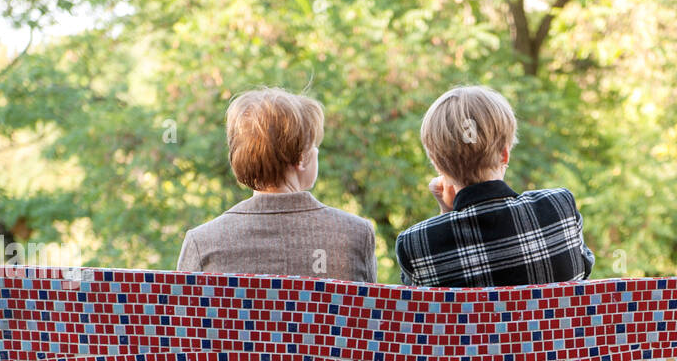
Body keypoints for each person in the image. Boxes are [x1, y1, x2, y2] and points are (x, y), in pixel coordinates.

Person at [395, 85, 594, 287]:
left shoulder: (415, 245)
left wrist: (446, 214)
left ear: (438, 166)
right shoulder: (558, 207)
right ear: (504, 154)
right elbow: (583, 273)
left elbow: (420, 308)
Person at [176, 87, 376, 282]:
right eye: (314, 146)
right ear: (301, 158)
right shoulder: (354, 234)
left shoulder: (203, 242)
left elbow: (180, 312)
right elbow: (368, 314)